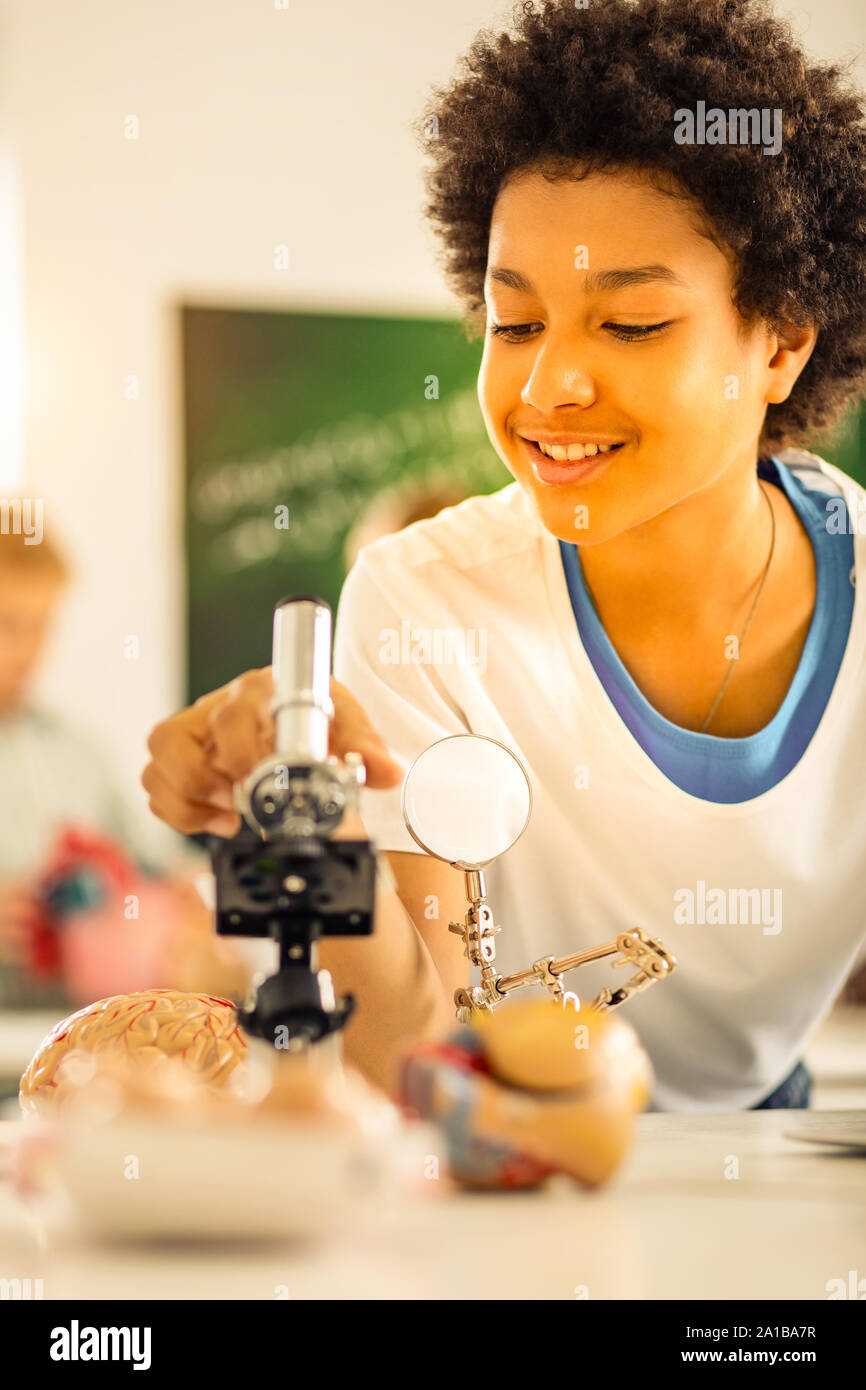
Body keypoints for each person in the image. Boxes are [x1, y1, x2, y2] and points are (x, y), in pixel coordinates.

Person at [143, 0, 866, 1109]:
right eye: (515, 323)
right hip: (512, 1162)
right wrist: (323, 825)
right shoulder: (424, 594)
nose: (543, 389)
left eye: (628, 325)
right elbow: (412, 1052)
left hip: (775, 1167)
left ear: (777, 341)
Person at [0, 505, 242, 1009]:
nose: (30, 649)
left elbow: (154, 860)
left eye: (43, 626)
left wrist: (195, 889)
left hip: (79, 1032)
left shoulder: (78, 751)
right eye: (9, 625)